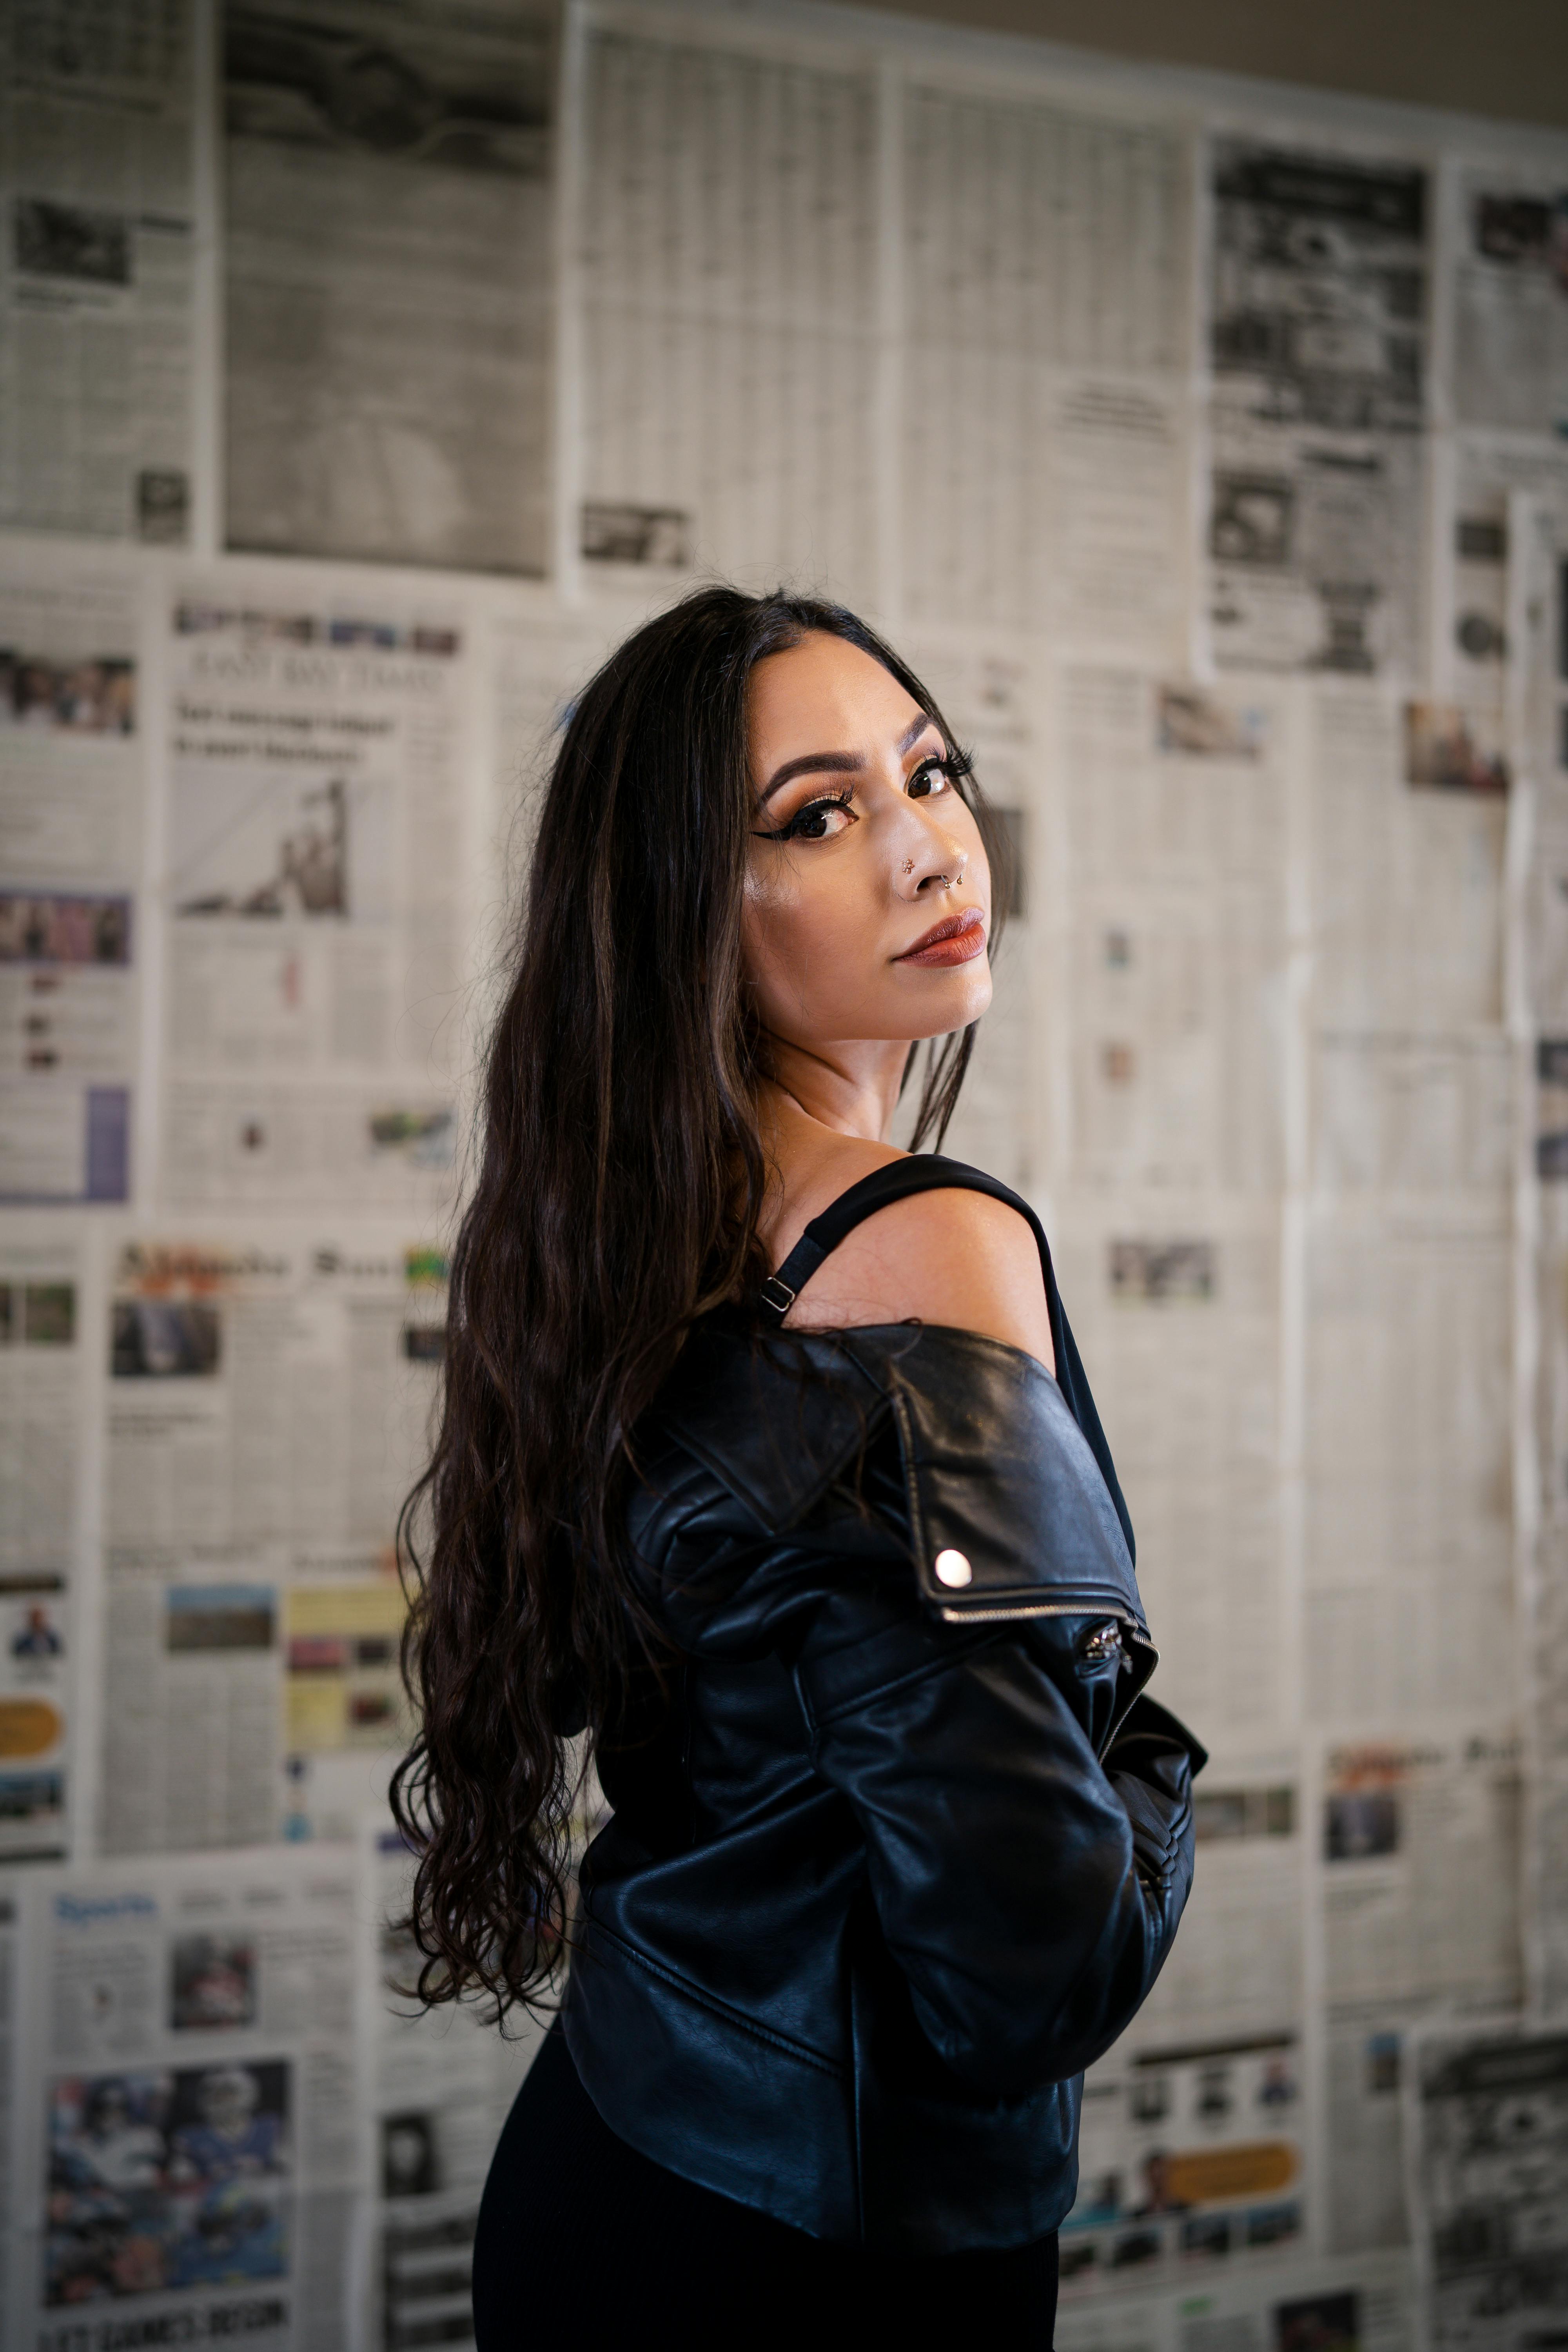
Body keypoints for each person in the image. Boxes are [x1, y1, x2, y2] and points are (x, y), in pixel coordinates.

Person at [391, 586, 1205, 2342]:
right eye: (817, 817)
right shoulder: (924, 1239)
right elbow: (1025, 1968)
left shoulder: (622, 1226)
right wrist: (1158, 1763)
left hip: (619, 2158)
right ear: (689, 905)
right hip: (821, 2247)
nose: (924, 852)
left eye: (928, 774)